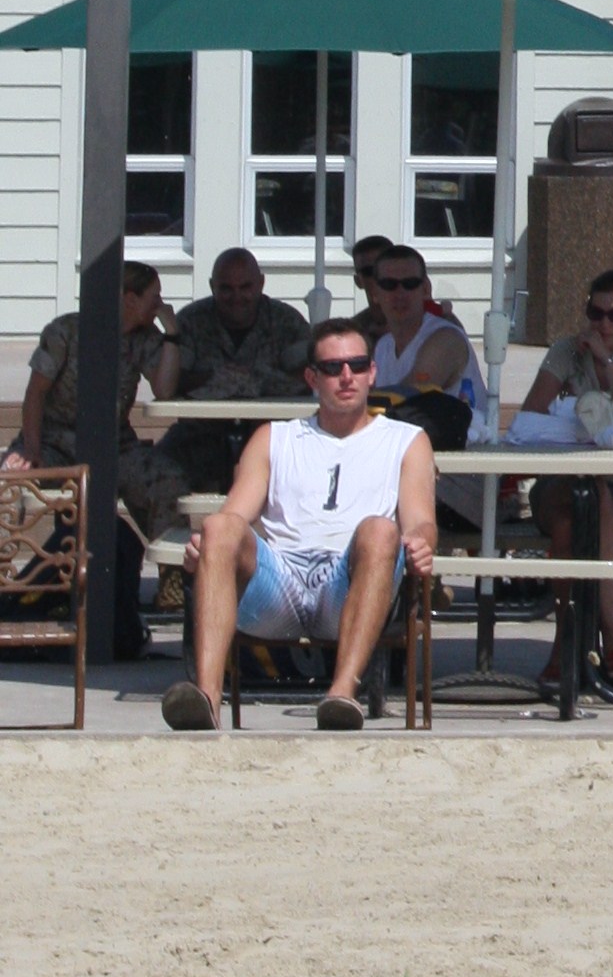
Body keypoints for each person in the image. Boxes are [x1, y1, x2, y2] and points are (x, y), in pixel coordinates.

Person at [163, 318, 435, 730]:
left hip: (347, 581)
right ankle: (206, 698)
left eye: (357, 365)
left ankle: (342, 695)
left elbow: (420, 521)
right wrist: (208, 545)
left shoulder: (406, 439)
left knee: (381, 529)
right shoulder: (275, 437)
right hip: (281, 581)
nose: (347, 377)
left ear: (372, 373)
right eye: (332, 368)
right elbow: (235, 514)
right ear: (312, 377)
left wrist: (420, 543)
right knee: (218, 529)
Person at [7, 261, 187, 657]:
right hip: (54, 437)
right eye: (153, 297)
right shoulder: (67, 331)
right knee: (15, 485)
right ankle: (23, 593)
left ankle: (172, 581)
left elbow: (164, 388)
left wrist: (171, 334)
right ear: (129, 298)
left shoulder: (144, 339)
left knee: (164, 477)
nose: (160, 304)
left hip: (113, 442)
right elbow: (36, 394)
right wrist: (31, 448)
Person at [521, 266, 613, 691]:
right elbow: (531, 414)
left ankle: (563, 646)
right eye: (596, 312)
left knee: (596, 508)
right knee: (582, 510)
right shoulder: (567, 350)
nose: (604, 323)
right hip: (563, 478)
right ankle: (612, 634)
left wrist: (606, 362)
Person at [153, 249, 313, 495]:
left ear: (260, 283)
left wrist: (261, 381)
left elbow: (310, 374)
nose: (237, 296)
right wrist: (214, 380)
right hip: (201, 435)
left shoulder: (285, 321)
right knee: (157, 475)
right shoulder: (191, 321)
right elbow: (174, 379)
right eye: (226, 288)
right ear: (212, 286)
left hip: (271, 437)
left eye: (245, 287)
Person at [367, 249, 484, 450]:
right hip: (411, 455)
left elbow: (409, 397)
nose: (400, 293)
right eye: (389, 285)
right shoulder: (383, 346)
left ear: (425, 289)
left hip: (462, 463)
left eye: (410, 283)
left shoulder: (446, 338)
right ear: (375, 294)